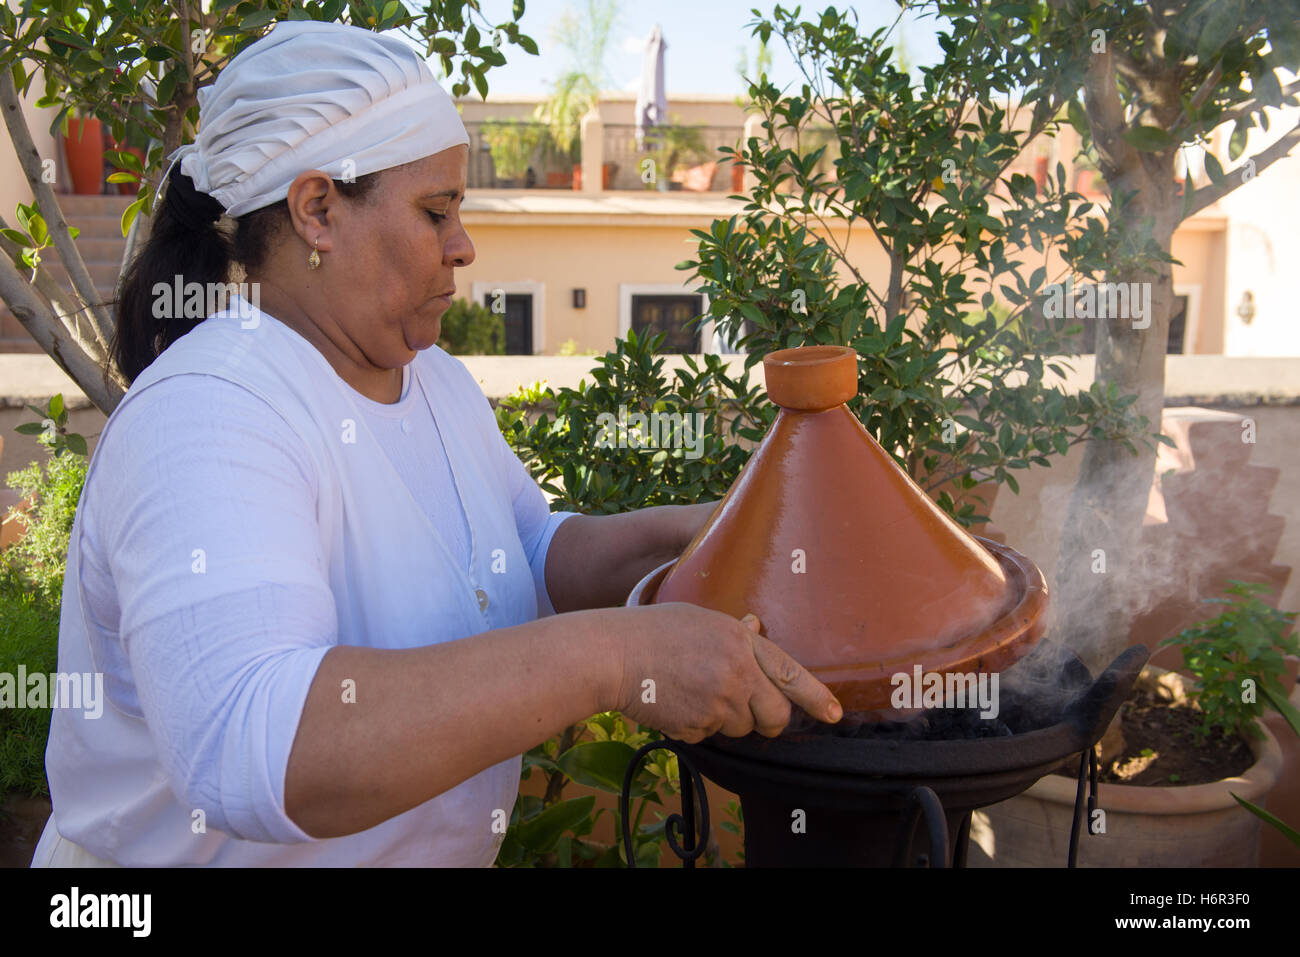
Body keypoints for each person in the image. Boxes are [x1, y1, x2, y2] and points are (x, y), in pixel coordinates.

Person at [31, 20, 841, 867]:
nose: (464, 244)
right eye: (435, 211)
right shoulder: (209, 410)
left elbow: (527, 552)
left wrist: (707, 530)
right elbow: (258, 744)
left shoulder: (435, 382)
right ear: (317, 211)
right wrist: (621, 654)